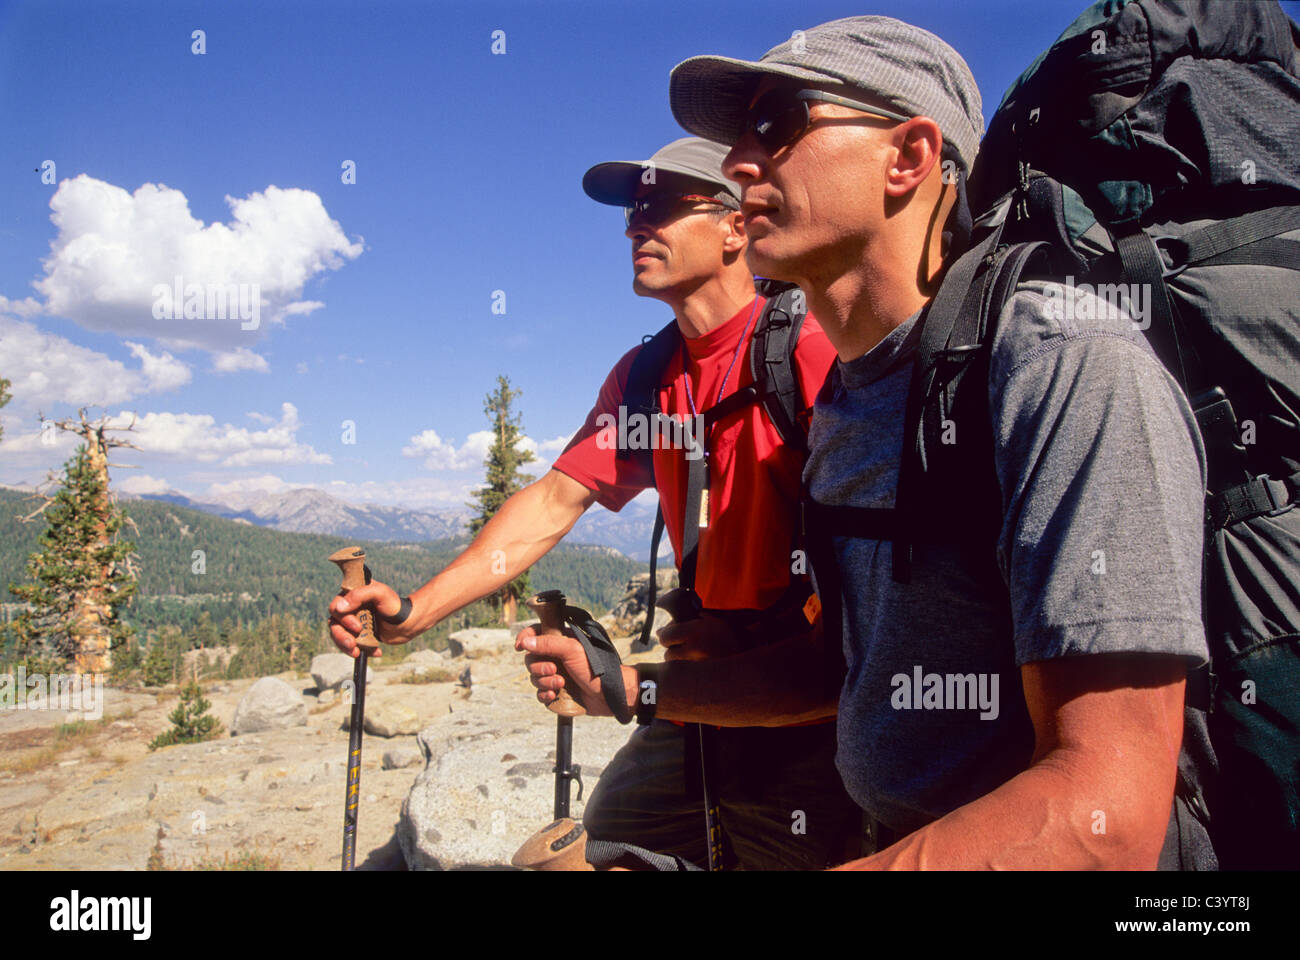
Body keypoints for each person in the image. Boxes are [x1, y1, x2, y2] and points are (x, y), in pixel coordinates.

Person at [526, 15, 1214, 869]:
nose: (738, 165)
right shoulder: (852, 399)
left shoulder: (1062, 366)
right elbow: (837, 675)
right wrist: (637, 686)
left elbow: (1104, 812)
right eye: (739, 137)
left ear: (909, 157)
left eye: (776, 123)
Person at [330, 136, 860, 869]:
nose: (636, 226)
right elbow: (554, 500)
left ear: (736, 226)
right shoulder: (647, 376)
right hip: (702, 690)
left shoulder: (807, 348)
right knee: (604, 841)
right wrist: (414, 614)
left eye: (664, 207)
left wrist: (632, 684)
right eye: (633, 211)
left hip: (812, 698)